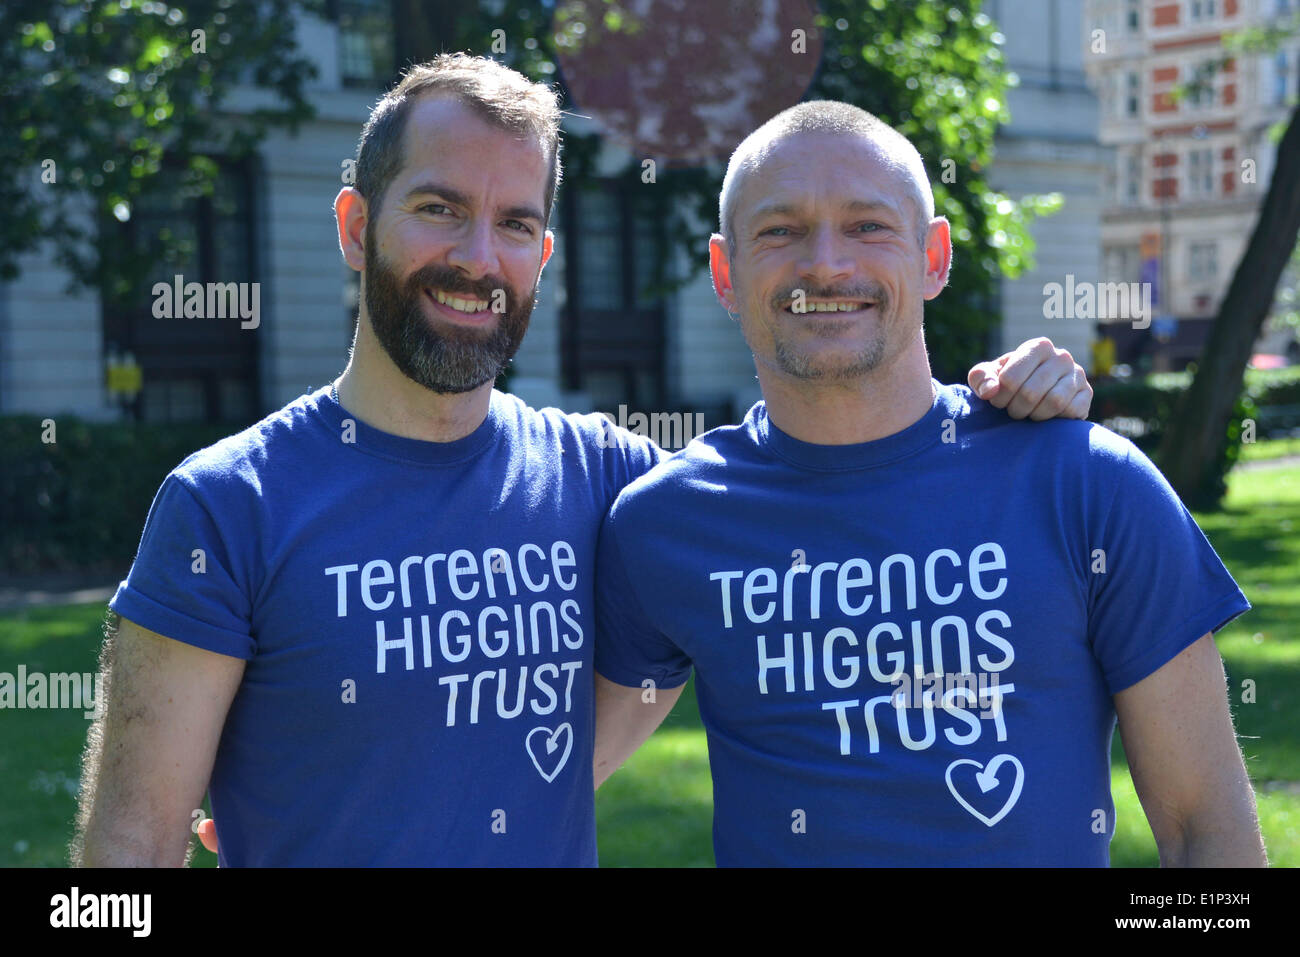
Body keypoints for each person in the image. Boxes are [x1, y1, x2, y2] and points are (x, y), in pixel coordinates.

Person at [71, 57, 1093, 867]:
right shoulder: (224, 506)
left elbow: (827, 469)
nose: (478, 256)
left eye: (514, 223)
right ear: (355, 226)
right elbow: (128, 853)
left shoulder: (616, 486)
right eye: (437, 208)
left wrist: (999, 405)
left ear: (543, 257)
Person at [590, 101, 1268, 867]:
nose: (827, 265)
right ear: (725, 271)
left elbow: (1206, 833)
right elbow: (542, 781)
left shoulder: (1085, 484)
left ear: (934, 257)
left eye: (867, 226)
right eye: (780, 231)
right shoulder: (667, 523)